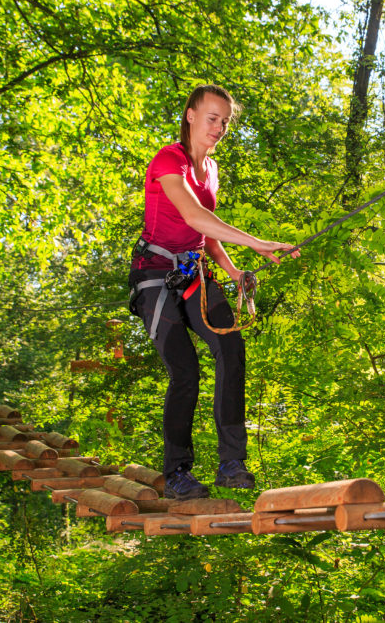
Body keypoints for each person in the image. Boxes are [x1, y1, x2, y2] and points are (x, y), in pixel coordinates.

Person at [128, 84, 298, 500]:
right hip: (155, 273)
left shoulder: (211, 170)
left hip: (194, 273)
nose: (219, 127)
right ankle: (176, 473)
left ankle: (231, 462)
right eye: (212, 118)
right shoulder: (169, 161)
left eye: (225, 121)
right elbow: (192, 214)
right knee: (185, 371)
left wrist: (234, 270)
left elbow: (205, 230)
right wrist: (256, 241)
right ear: (190, 116)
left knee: (231, 346)